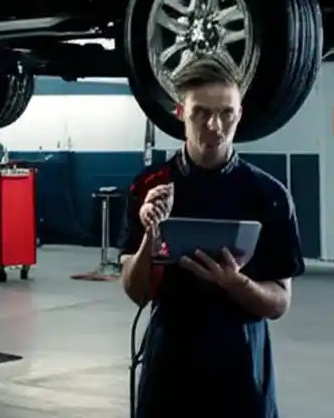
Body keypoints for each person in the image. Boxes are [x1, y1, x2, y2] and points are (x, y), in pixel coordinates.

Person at [119, 56, 306, 418]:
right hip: (169, 368)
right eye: (201, 113)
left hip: (241, 370)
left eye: (226, 113)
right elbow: (136, 291)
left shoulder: (269, 196)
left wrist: (236, 284)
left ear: (240, 113)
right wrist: (150, 236)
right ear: (180, 112)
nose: (214, 126)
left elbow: (279, 302)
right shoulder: (150, 187)